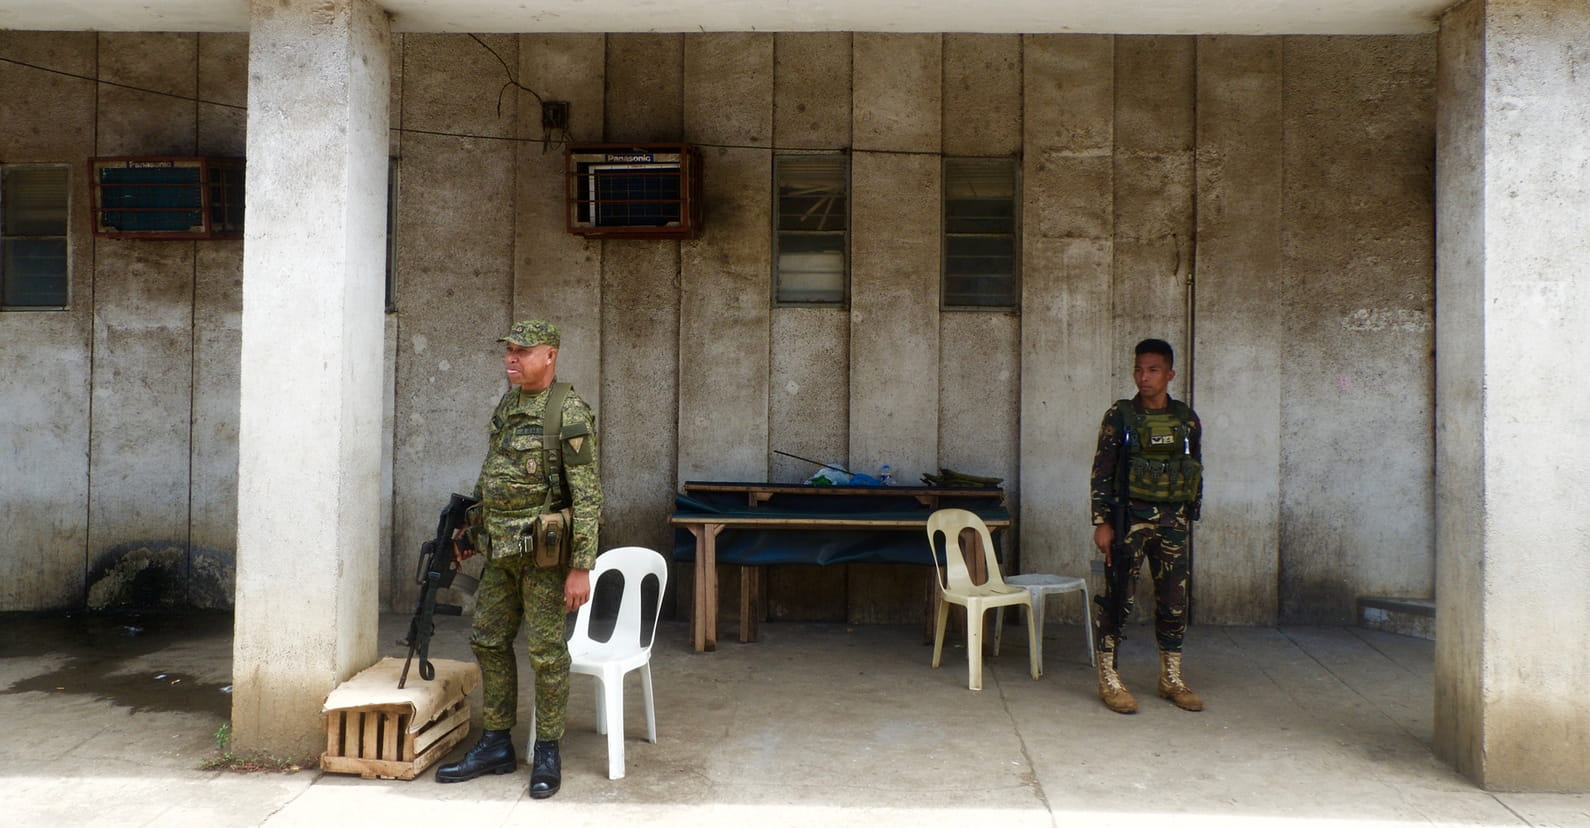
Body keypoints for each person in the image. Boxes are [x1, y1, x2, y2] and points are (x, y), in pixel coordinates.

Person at [435, 319, 602, 798]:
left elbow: (588, 497)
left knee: (547, 655)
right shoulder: (509, 403)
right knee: (488, 641)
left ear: (550, 355)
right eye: (508, 350)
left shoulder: (567, 412)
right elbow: (498, 475)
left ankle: (547, 749)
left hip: (544, 560)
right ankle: (495, 742)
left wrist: (581, 566)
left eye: (523, 351)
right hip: (500, 553)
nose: (512, 358)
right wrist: (472, 525)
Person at [1090, 338, 1204, 714]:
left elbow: (1196, 470)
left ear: (1170, 374)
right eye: (1139, 369)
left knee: (1173, 602)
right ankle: (1109, 678)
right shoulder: (1119, 417)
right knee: (1118, 597)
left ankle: (1171, 678)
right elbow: (1102, 472)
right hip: (1128, 522)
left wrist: (1190, 514)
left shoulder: (1187, 419)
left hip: (1173, 523)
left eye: (1153, 370)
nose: (1144, 377)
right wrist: (1101, 522)